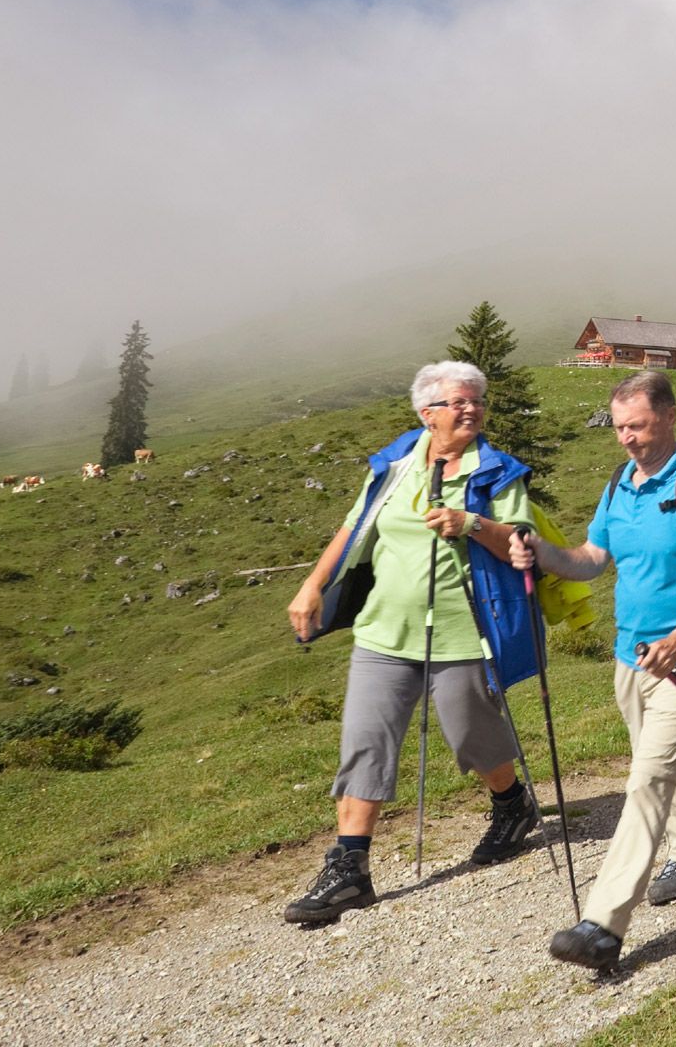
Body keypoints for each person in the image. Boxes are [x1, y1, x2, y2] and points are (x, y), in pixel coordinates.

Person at [279, 361, 543, 927]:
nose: (471, 409)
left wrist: (471, 523)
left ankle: (511, 802)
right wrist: (311, 586)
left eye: (477, 401)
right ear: (427, 413)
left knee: (473, 737)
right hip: (383, 632)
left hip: (462, 632)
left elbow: (522, 543)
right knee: (365, 742)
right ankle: (350, 867)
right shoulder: (395, 466)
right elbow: (354, 528)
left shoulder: (496, 472)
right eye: (458, 402)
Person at [515, 369, 676, 975]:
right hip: (630, 657)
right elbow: (593, 558)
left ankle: (602, 924)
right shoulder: (620, 483)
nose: (627, 438)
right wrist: (538, 553)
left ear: (671, 416)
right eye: (620, 427)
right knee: (658, 762)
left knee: (646, 777)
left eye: (639, 426)